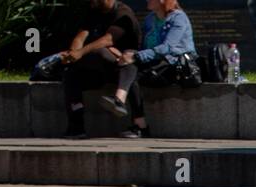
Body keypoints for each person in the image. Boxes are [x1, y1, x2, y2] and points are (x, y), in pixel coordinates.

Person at [108, 0, 197, 138]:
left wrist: (137, 56)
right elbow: (143, 46)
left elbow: (168, 47)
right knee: (129, 67)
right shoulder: (150, 19)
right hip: (153, 63)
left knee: (133, 74)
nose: (147, 1)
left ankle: (127, 109)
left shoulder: (178, 18)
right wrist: (124, 54)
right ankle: (127, 110)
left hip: (173, 65)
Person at [60, 0, 142, 138]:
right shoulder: (94, 11)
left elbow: (107, 40)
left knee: (100, 52)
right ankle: (76, 126)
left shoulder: (123, 13)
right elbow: (81, 36)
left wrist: (80, 53)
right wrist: (72, 53)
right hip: (99, 70)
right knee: (71, 73)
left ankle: (136, 121)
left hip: (122, 68)